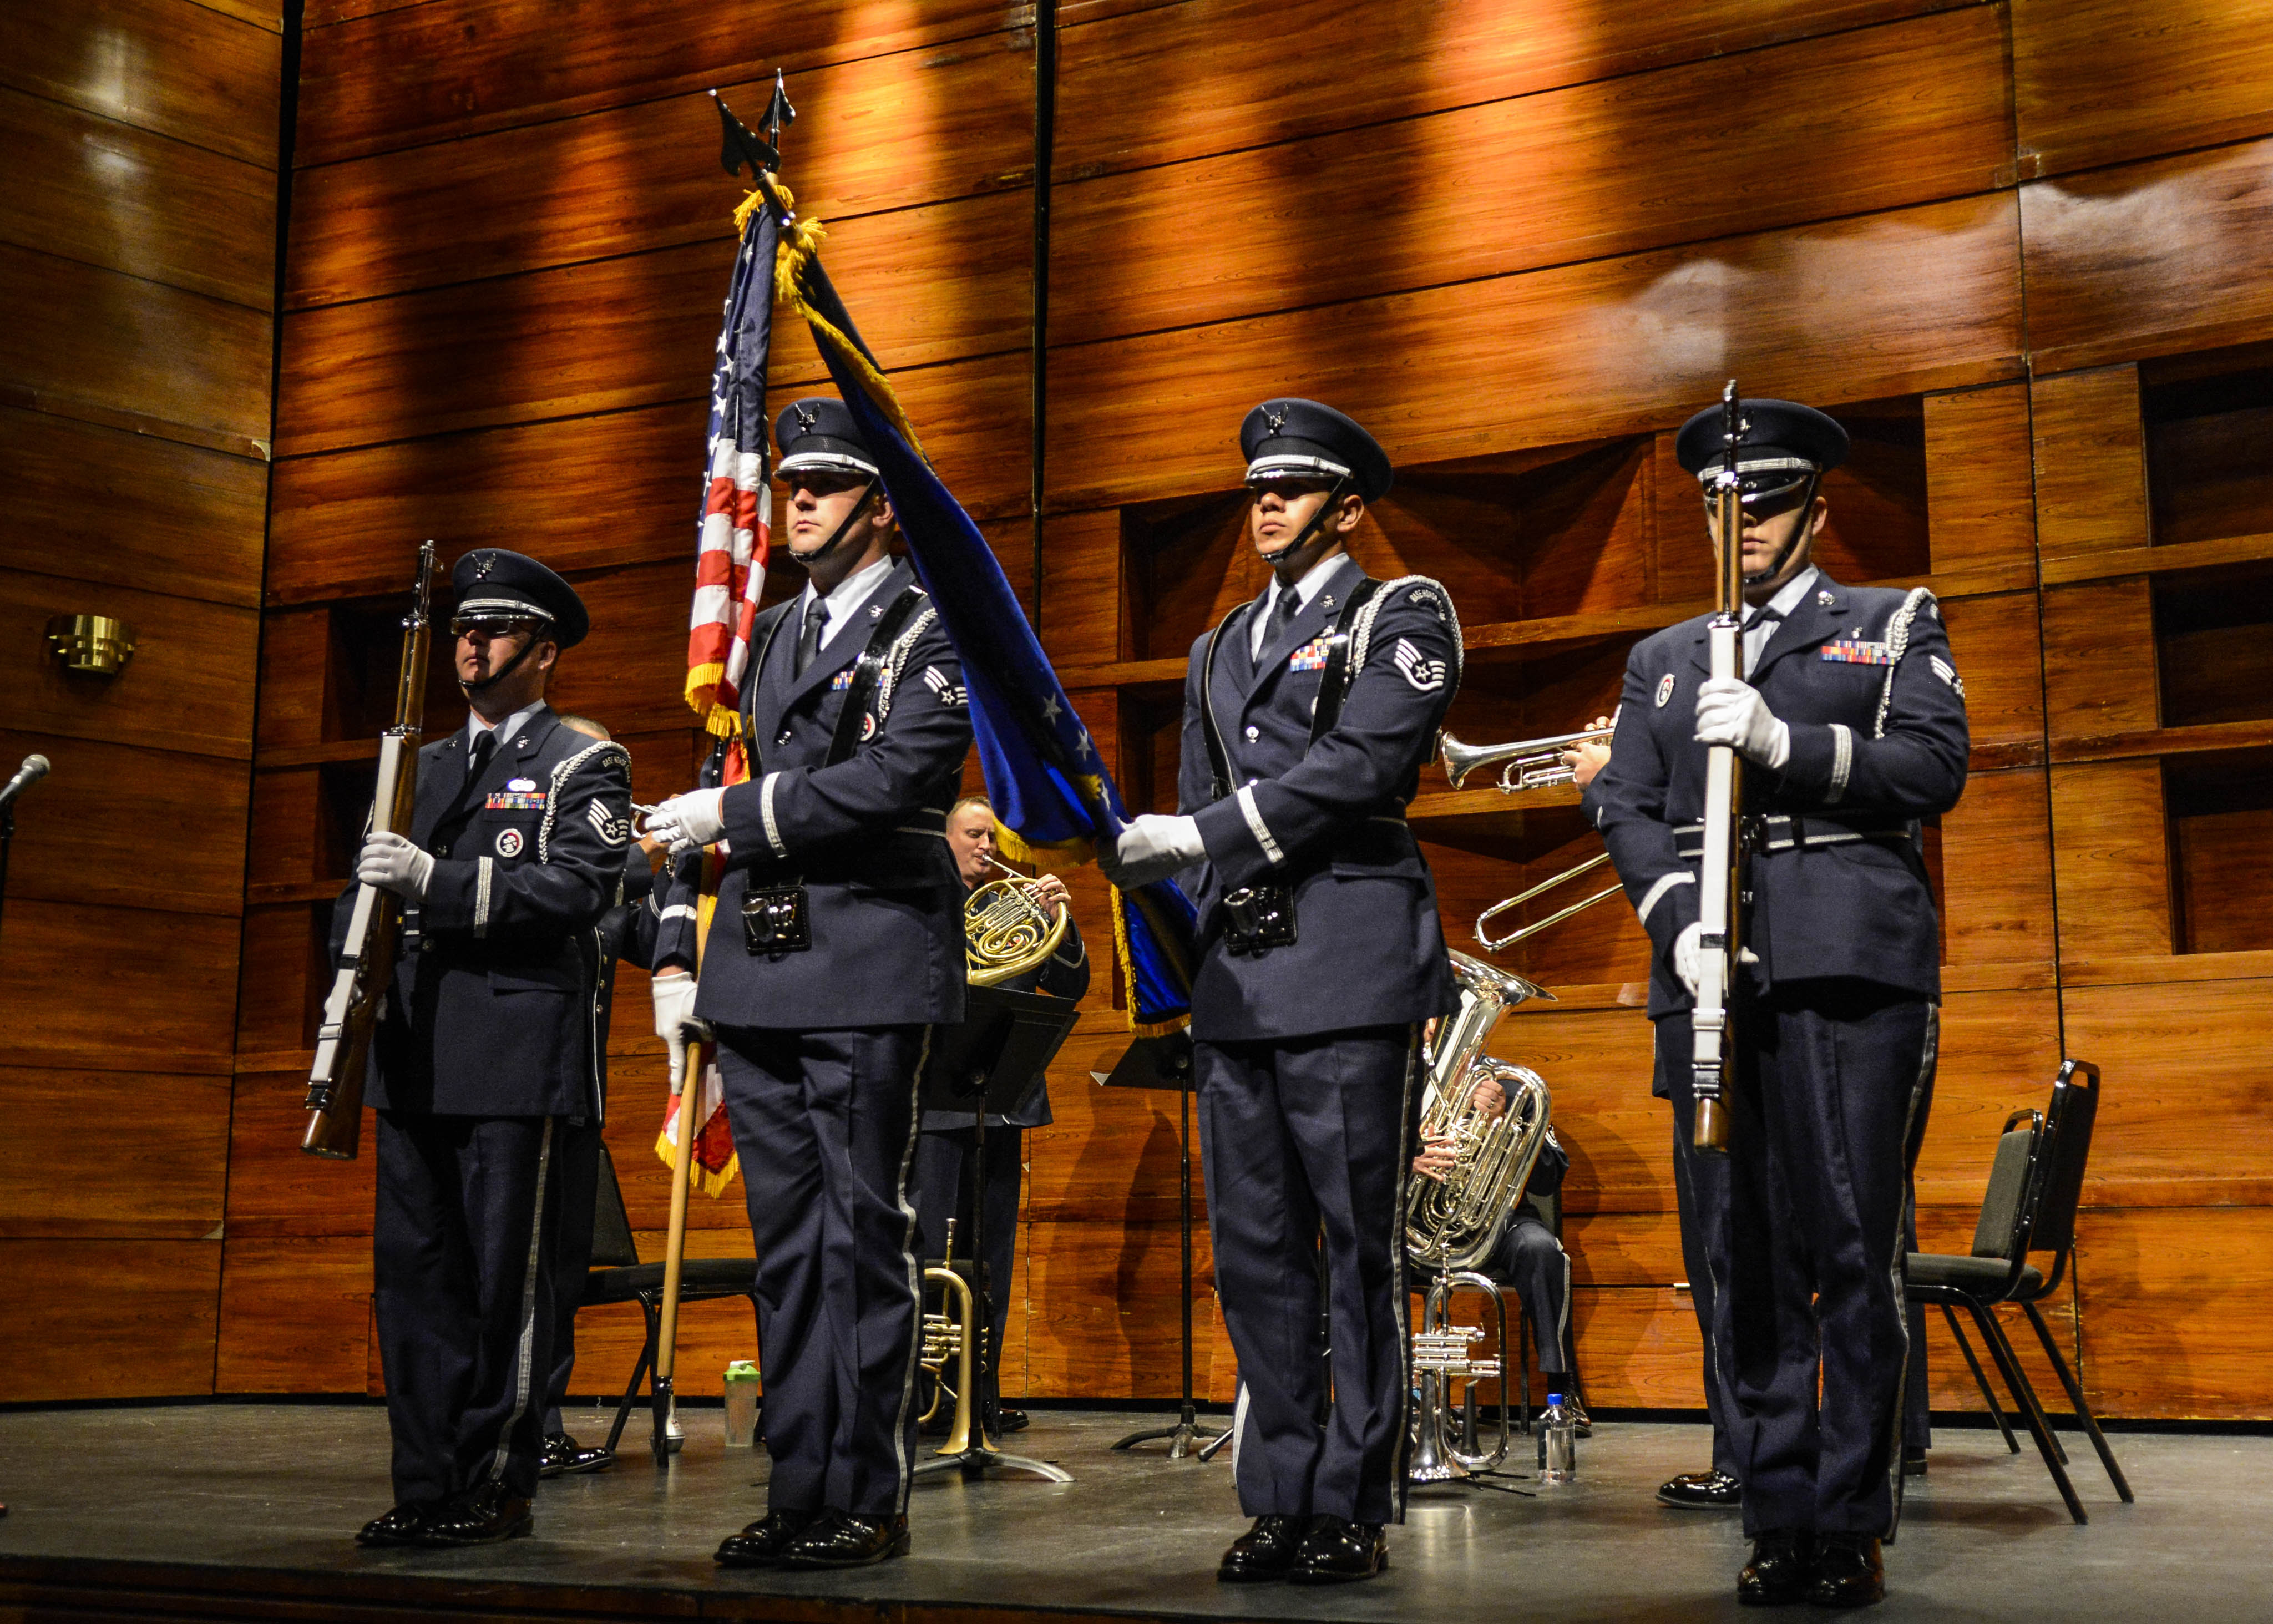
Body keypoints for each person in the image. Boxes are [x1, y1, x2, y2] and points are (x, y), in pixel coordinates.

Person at [1583, 397, 1967, 1608]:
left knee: (1850, 1245)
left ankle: (1846, 1515)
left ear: (1813, 506)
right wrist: (1674, 921)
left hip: (1848, 956)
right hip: (1707, 976)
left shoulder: (1886, 620)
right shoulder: (1662, 657)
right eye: (1718, 504)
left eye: (1762, 501)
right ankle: (1774, 1506)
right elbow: (1630, 809)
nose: (1738, 521)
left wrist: (1781, 739)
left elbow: (1931, 766)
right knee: (1734, 1254)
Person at [1103, 398, 1461, 1586]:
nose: (1264, 500)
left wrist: (1197, 833)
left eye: (1293, 487)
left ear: (1346, 507)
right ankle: (1279, 1492)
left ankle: (1351, 1496)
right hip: (1242, 976)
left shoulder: (1398, 613)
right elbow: (1202, 802)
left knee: (1356, 1246)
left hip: (1348, 959)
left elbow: (1357, 768)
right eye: (1256, 484)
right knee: (1254, 1251)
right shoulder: (1216, 644)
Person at [643, 397, 971, 1571]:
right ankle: (798, 1483)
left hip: (866, 957)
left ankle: (863, 1492)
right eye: (789, 488)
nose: (797, 505)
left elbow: (893, 779)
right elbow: (727, 758)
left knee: (857, 1235)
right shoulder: (769, 628)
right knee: (785, 1244)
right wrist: (680, 938)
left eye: (824, 487)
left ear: (879, 507)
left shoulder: (929, 624)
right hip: (764, 965)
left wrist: (731, 813)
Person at [343, 550, 634, 1548]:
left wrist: (440, 879)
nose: (473, 642)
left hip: (517, 1055)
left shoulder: (578, 762)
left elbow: (578, 890)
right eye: (466, 627)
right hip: (414, 1052)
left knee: (506, 1286)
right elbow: (363, 905)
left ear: (544, 651)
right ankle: (425, 1481)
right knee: (415, 1284)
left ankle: (492, 1482)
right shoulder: (415, 766)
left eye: (499, 628)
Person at [910, 794, 1088, 1438]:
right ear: (945, 837)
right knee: (931, 1255)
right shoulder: (923, 905)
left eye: (991, 835)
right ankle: (925, 1394)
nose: (985, 845)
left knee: (991, 1263)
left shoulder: (1014, 909)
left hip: (1002, 1107)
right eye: (973, 834)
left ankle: (979, 1394)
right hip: (934, 1107)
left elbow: (1071, 987)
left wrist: (1058, 917)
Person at [534, 714, 667, 1480]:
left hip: (581, 1094)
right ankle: (510, 1427)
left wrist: (688, 871)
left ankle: (543, 1425)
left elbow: (650, 942)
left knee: (559, 1271)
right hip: (520, 1087)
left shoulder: (615, 877)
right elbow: (571, 891)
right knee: (513, 1272)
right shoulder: (552, 842)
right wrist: (646, 857)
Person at [1411, 1087, 1586, 1428]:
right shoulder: (1392, 1076)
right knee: (1373, 1252)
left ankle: (1562, 1391)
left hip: (1500, 1223)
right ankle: (1403, 1391)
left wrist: (1508, 1123)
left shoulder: (1515, 1089)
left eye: (1440, 1027)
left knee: (1542, 1251)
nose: (1431, 1029)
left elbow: (1550, 1177)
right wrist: (1408, 1158)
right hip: (1417, 1222)